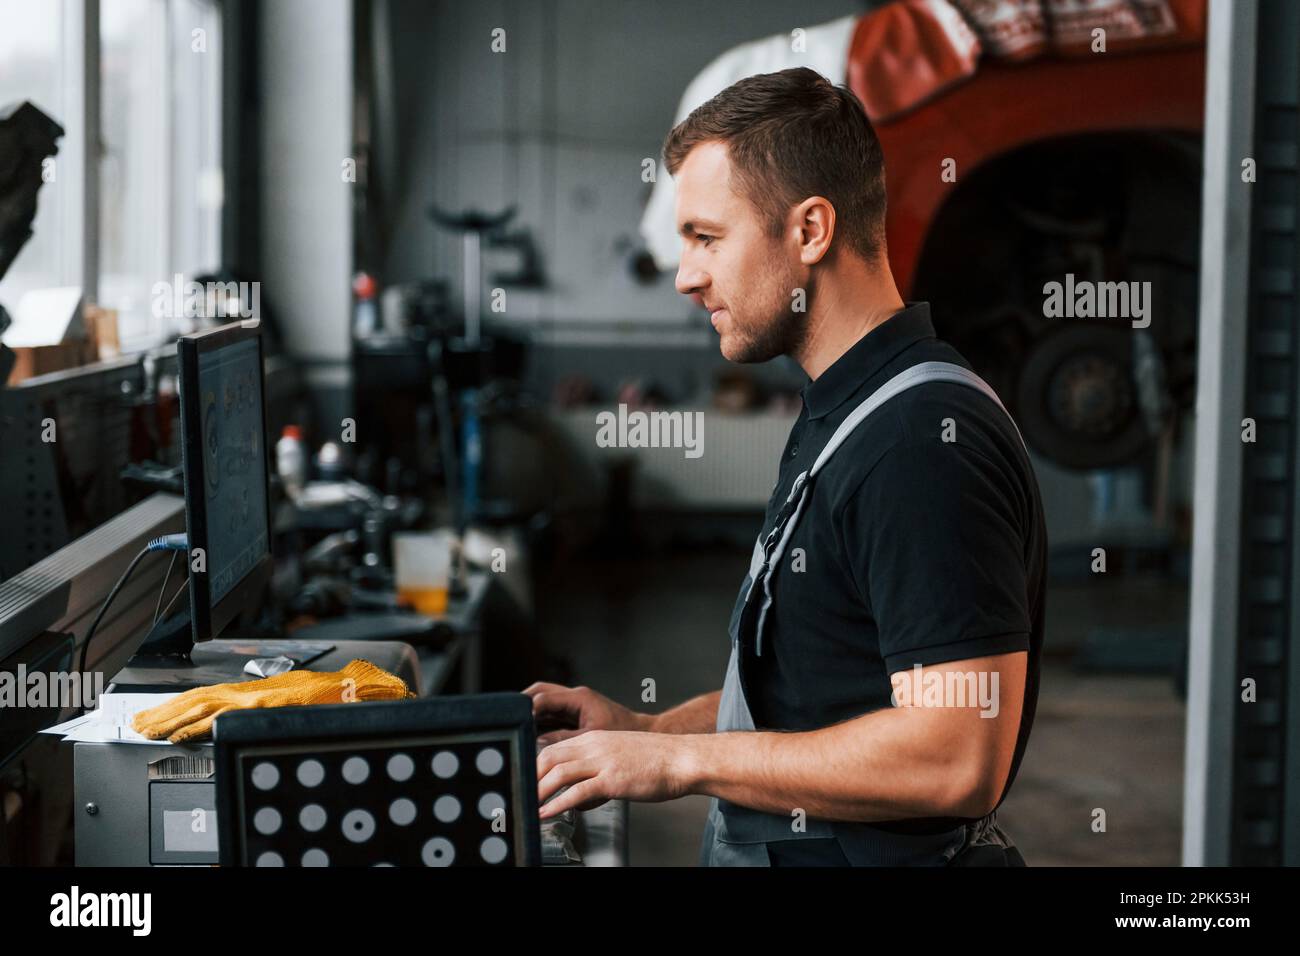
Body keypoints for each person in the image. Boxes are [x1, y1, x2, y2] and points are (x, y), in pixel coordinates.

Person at [528, 67, 1045, 866]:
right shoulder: (845, 409)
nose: (685, 275)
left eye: (706, 237)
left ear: (809, 231)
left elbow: (954, 758)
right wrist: (649, 730)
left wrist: (679, 763)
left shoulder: (918, 442)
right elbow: (824, 694)